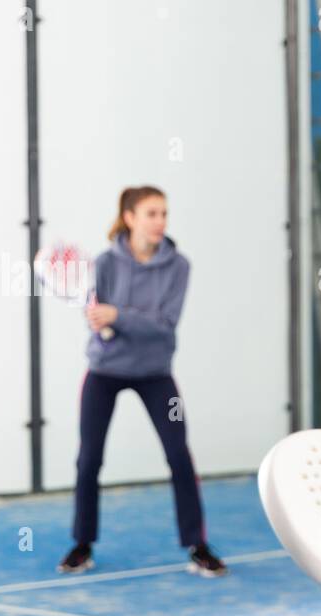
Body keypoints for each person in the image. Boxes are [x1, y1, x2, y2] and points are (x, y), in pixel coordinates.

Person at [56, 186, 227, 578]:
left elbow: (165, 327)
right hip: (104, 372)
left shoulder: (179, 266)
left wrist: (118, 316)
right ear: (130, 217)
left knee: (179, 456)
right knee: (88, 460)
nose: (160, 221)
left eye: (164, 213)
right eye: (151, 213)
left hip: (155, 374)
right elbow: (101, 319)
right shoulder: (104, 263)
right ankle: (82, 544)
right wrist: (103, 322)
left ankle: (198, 546)